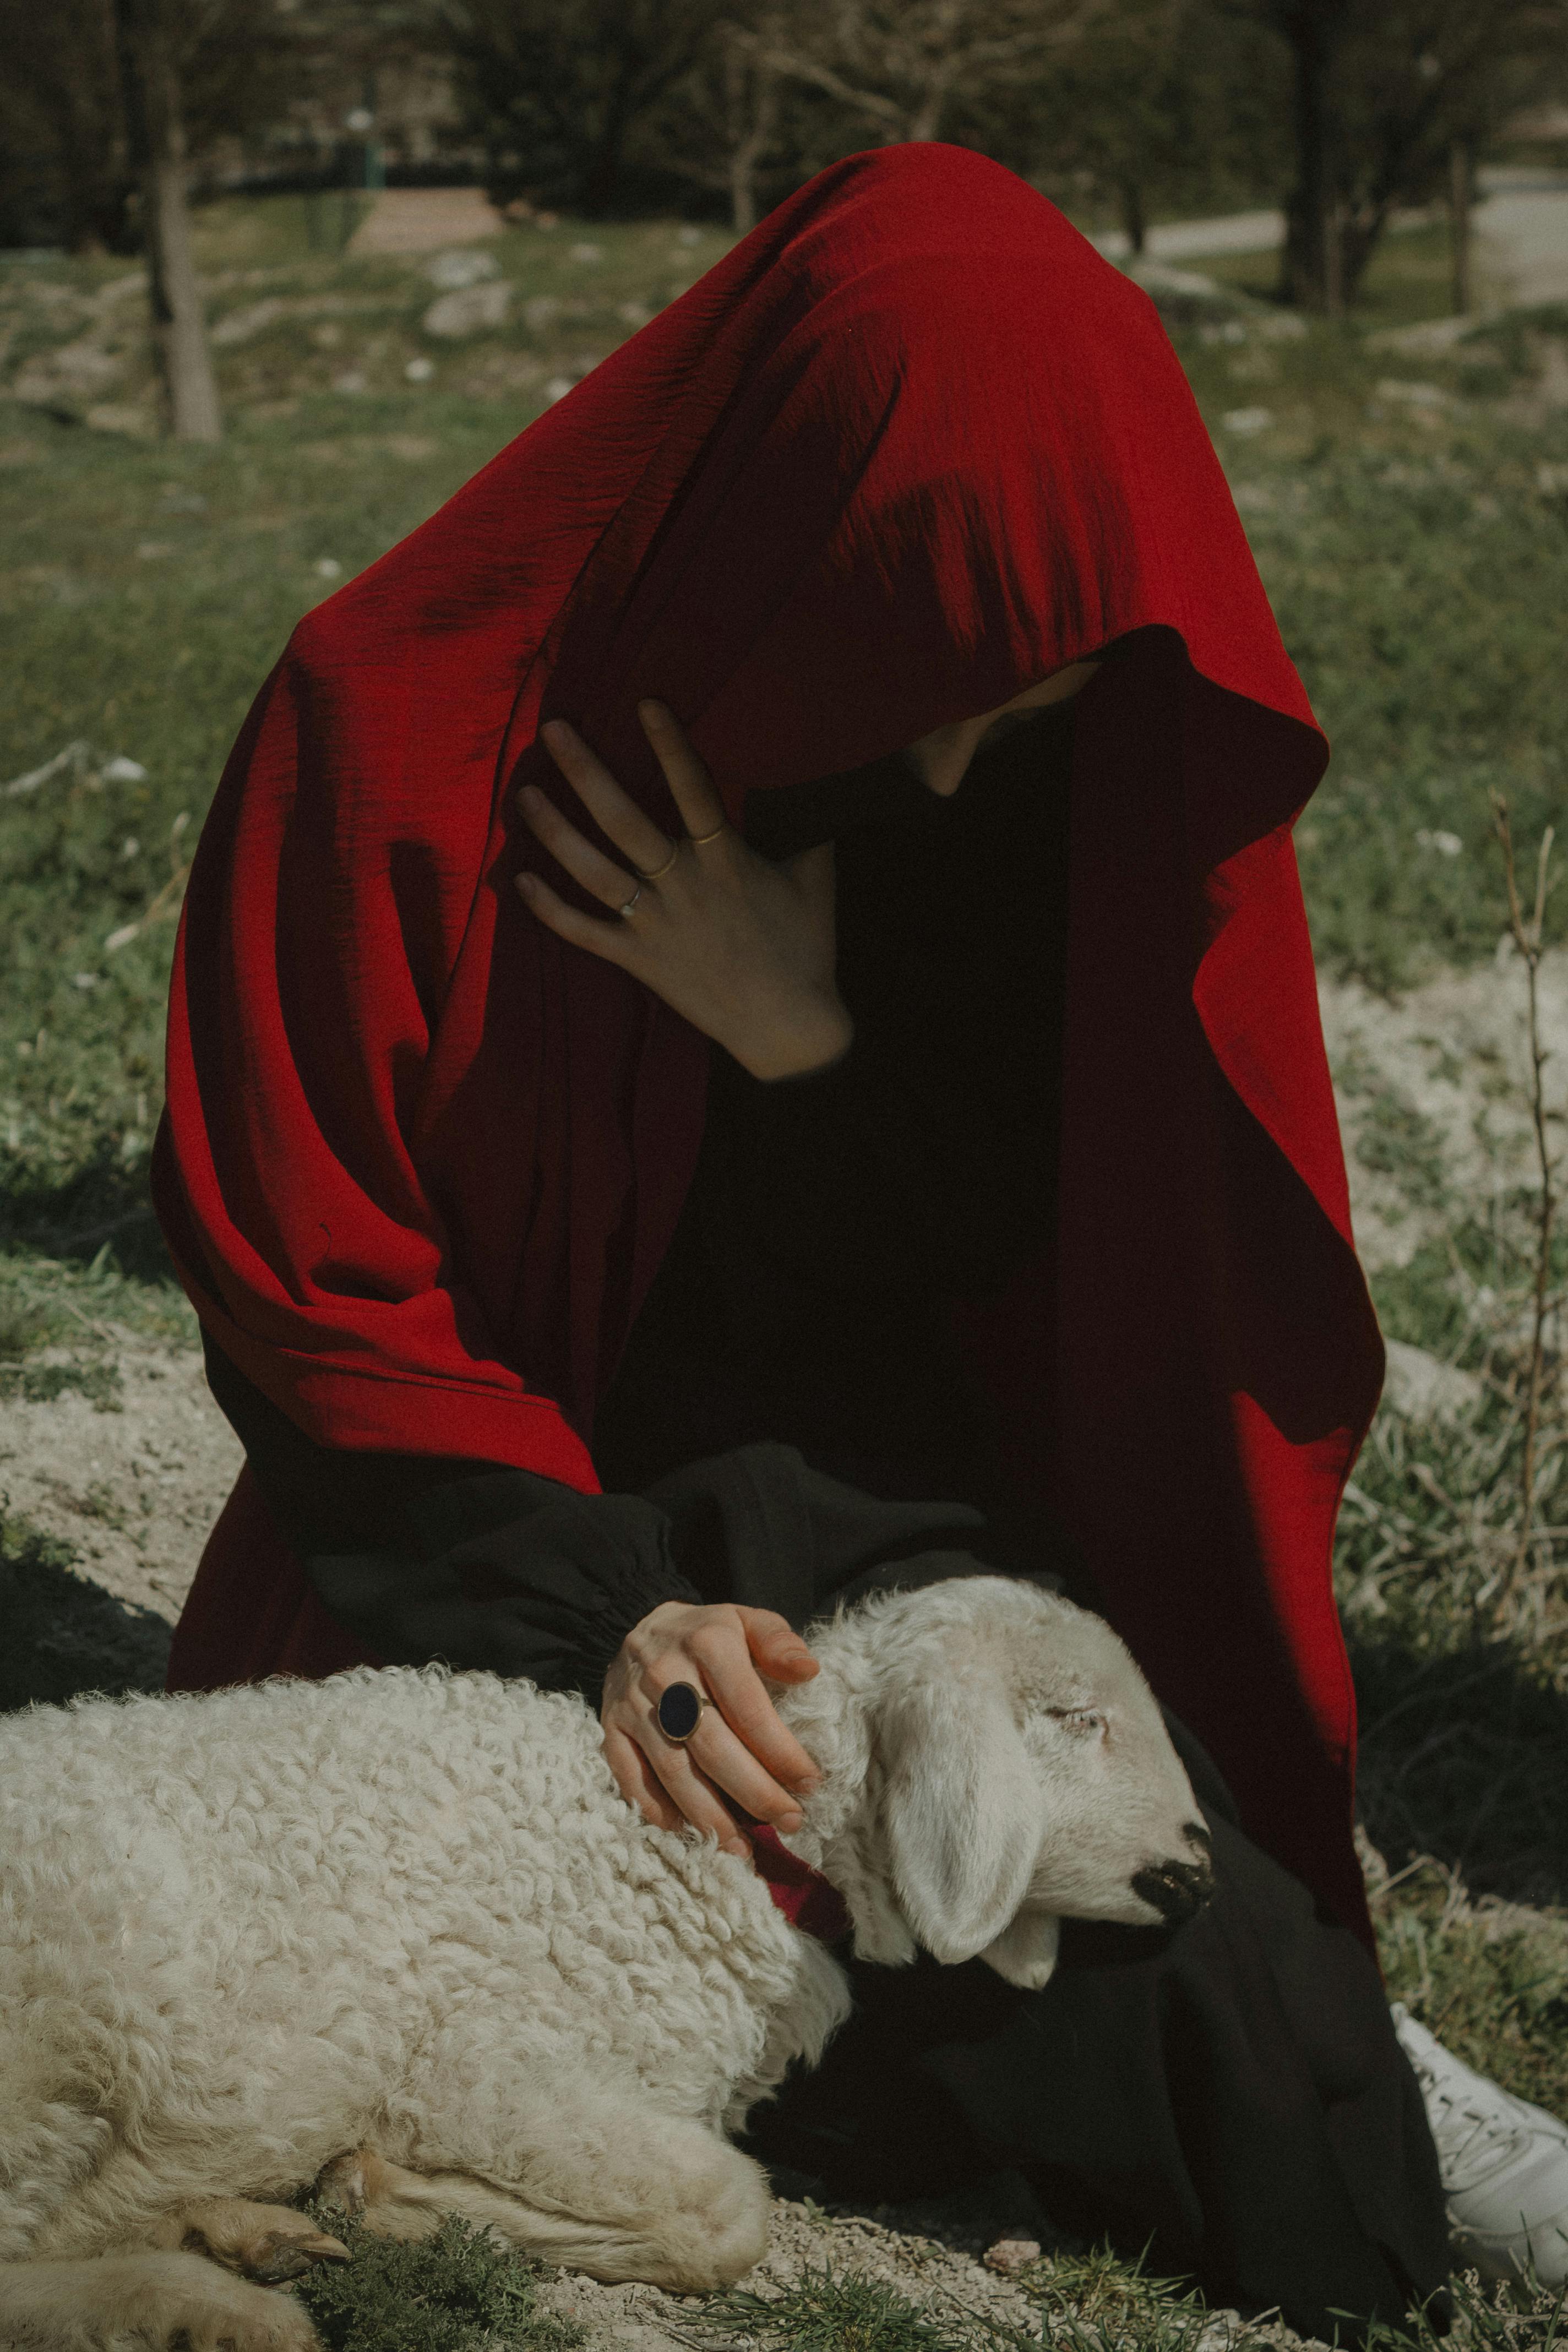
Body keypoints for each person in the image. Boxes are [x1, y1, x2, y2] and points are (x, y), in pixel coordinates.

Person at [151, 144, 1567, 2326]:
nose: (959, 771)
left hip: (857, 1480)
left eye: (1029, 708)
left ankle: (1333, 2062)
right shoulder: (396, 718)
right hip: (486, 1546)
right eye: (939, 686)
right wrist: (606, 1606)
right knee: (876, 1871)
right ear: (811, 538)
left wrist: (795, 1036)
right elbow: (307, 1293)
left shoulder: (1010, 759)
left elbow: (993, 1251)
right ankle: (1308, 2084)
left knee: (1054, 1802)